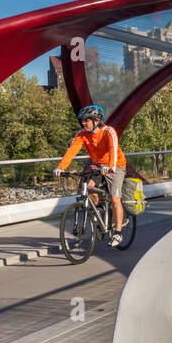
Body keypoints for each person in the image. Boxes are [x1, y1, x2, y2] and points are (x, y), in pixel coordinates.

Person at [54, 105, 127, 245]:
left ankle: (117, 233)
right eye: (82, 120)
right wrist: (61, 167)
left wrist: (110, 166)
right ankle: (99, 209)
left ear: (96, 120)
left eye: (86, 120)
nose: (83, 123)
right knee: (87, 187)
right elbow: (72, 150)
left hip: (115, 165)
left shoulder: (108, 131)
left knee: (115, 198)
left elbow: (113, 149)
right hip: (96, 164)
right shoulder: (81, 134)